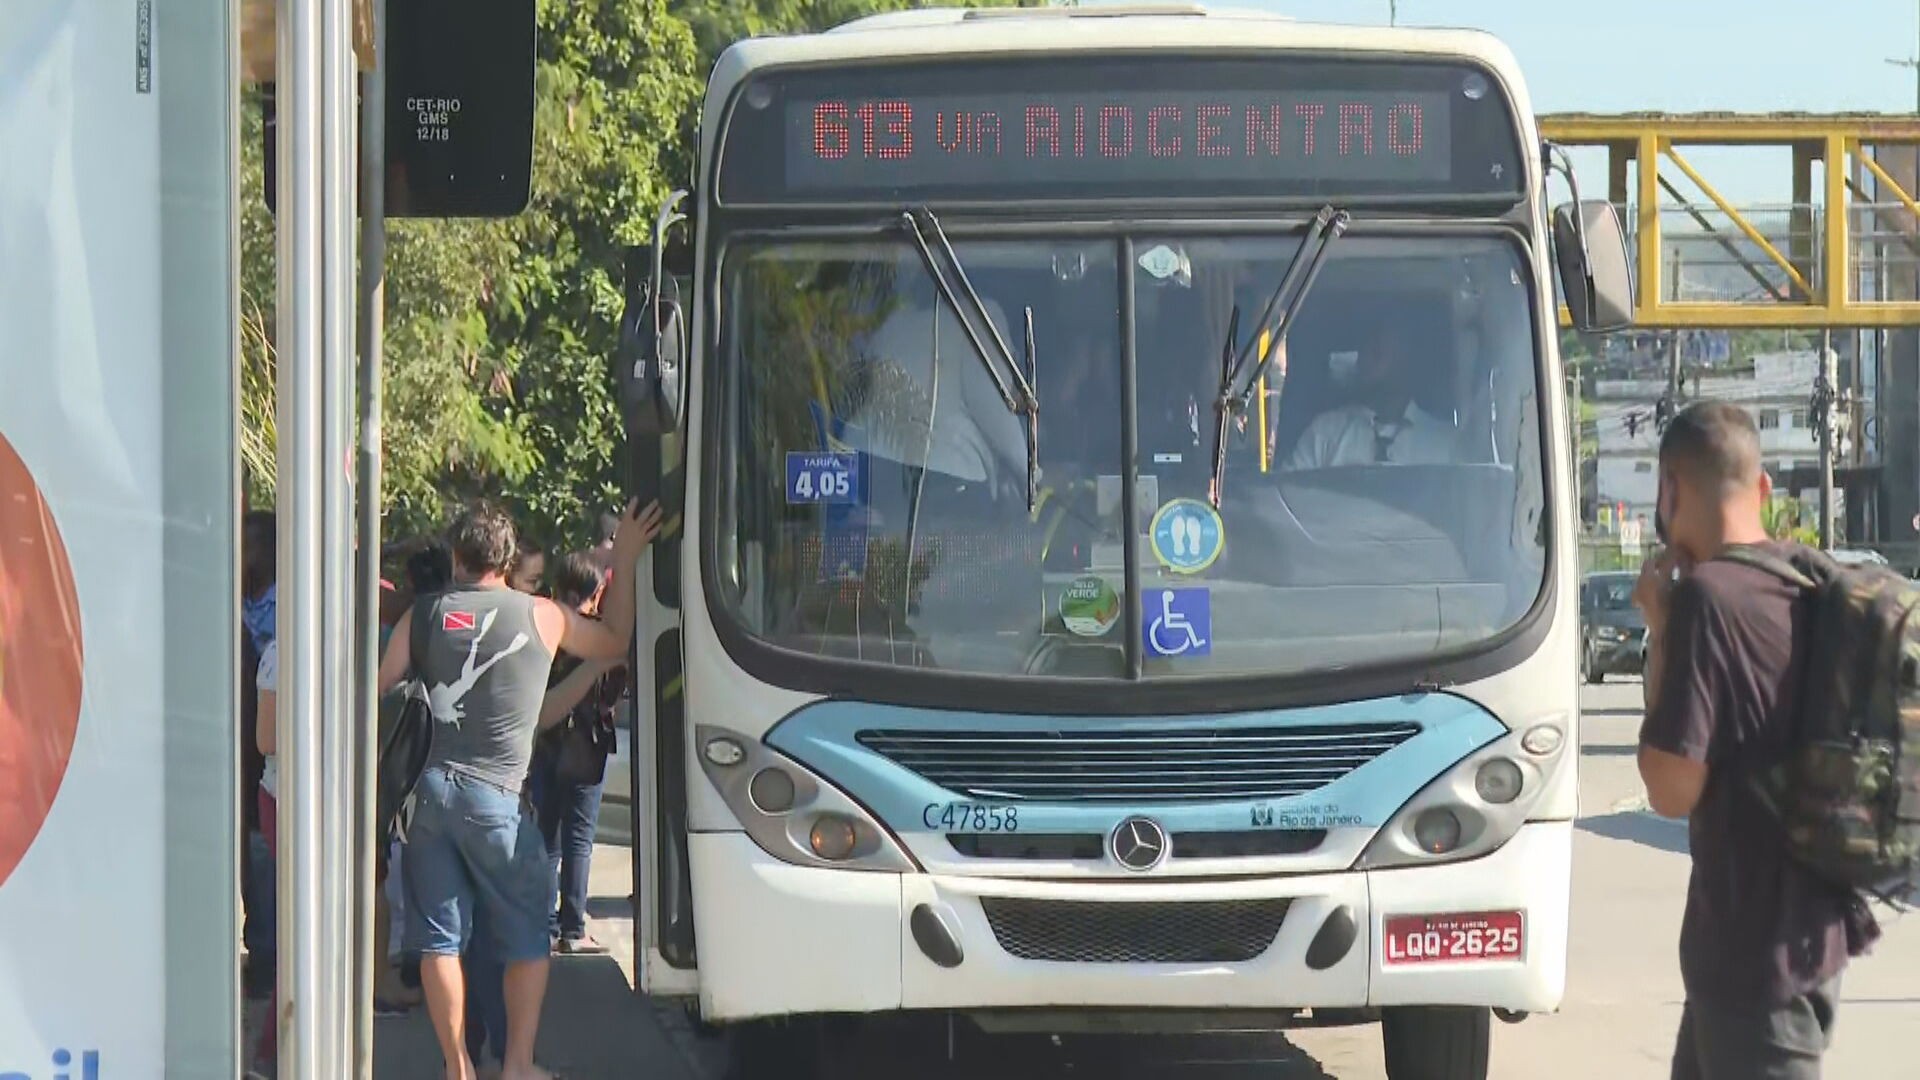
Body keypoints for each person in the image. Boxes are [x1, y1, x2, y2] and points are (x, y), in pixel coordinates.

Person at [1632, 402, 1876, 1080]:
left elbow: (1670, 788)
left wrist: (1661, 630)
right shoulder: (1809, 577)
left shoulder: (1709, 600)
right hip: (1803, 940)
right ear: (1762, 489)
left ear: (1670, 491)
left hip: (1753, 962)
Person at [380, 499, 658, 1080]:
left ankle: (457, 1068)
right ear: (505, 561)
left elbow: (377, 693)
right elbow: (615, 640)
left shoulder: (423, 617)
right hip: (496, 802)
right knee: (529, 936)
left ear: (457, 555)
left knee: (439, 941)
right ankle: (517, 1066)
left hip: (428, 797)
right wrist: (624, 561)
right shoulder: (541, 616)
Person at [530, 552, 626, 955]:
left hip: (548, 740)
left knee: (547, 837)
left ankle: (544, 926)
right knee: (579, 839)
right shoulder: (597, 635)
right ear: (594, 590)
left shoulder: (546, 626)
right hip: (587, 745)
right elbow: (614, 687)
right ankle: (573, 927)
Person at [1284, 321, 1455, 470]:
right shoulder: (1325, 431)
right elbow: (1286, 490)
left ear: (1407, 364)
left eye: (1377, 353)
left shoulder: (1444, 445)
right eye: (1363, 352)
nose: (1364, 361)